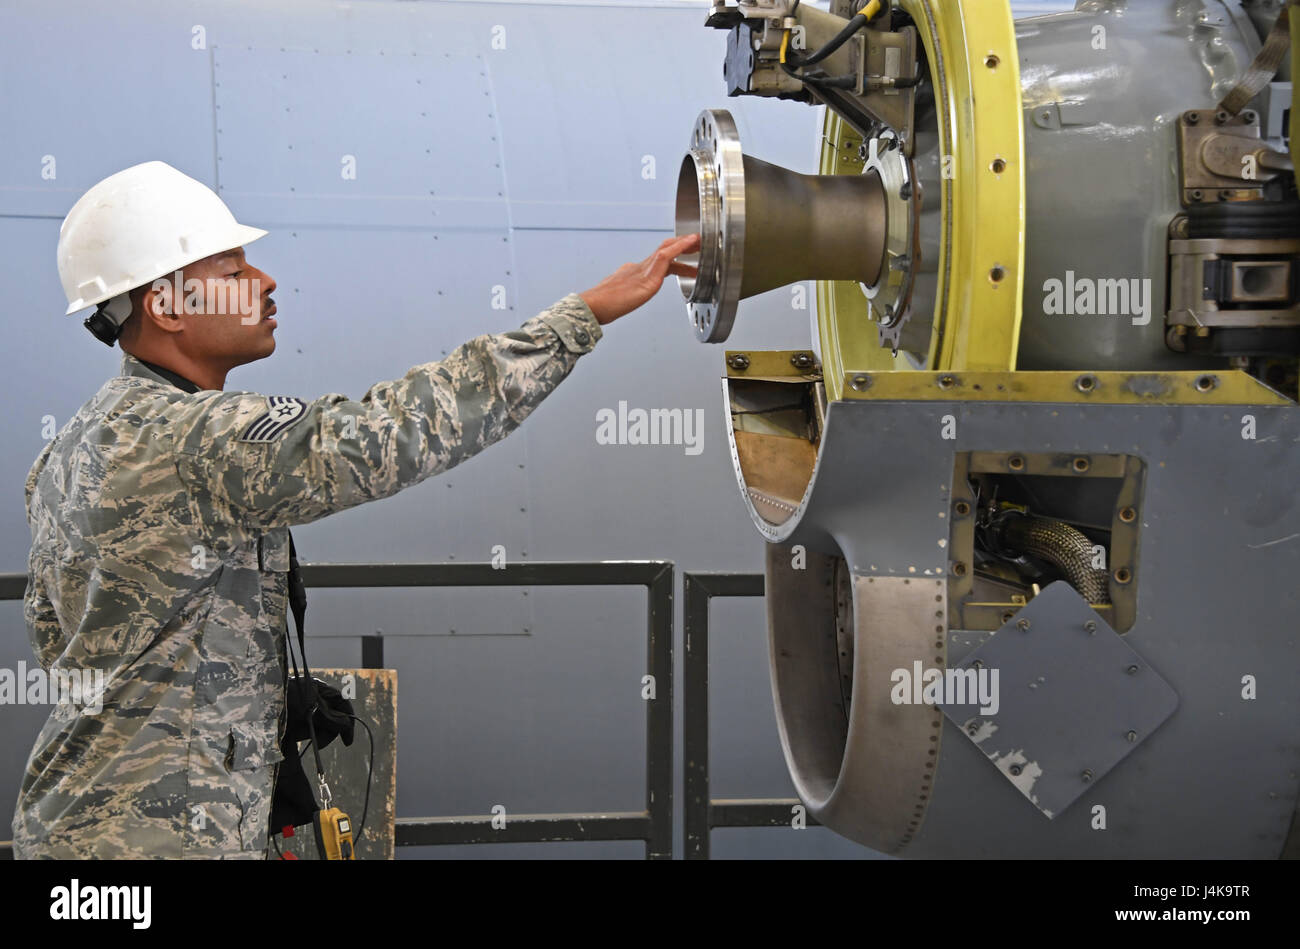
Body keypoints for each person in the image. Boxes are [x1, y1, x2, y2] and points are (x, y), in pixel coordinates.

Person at [12, 160, 700, 858]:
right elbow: (388, 433)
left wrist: (248, 704)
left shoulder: (72, 448)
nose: (265, 281)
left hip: (82, 830)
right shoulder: (196, 436)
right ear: (165, 306)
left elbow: (72, 637)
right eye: (233, 271)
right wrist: (579, 318)